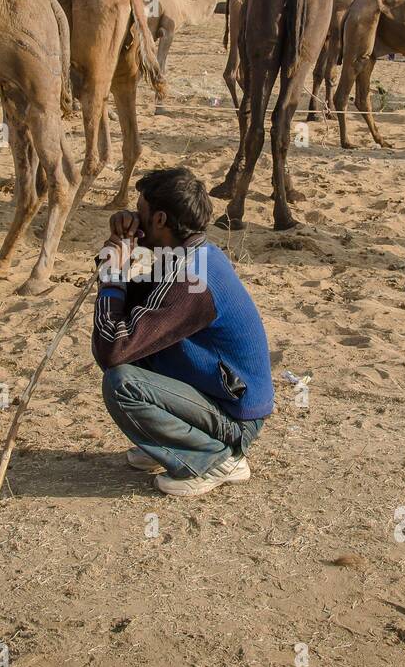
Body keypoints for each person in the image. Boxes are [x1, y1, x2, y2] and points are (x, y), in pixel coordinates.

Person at [92, 167, 273, 496]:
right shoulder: (190, 255)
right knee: (137, 348)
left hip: (235, 421)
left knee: (122, 383)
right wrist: (115, 252)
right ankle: (172, 441)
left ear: (160, 220)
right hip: (216, 397)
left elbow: (112, 350)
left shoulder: (193, 278)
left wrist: (112, 274)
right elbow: (134, 308)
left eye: (140, 212)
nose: (134, 217)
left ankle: (213, 458)